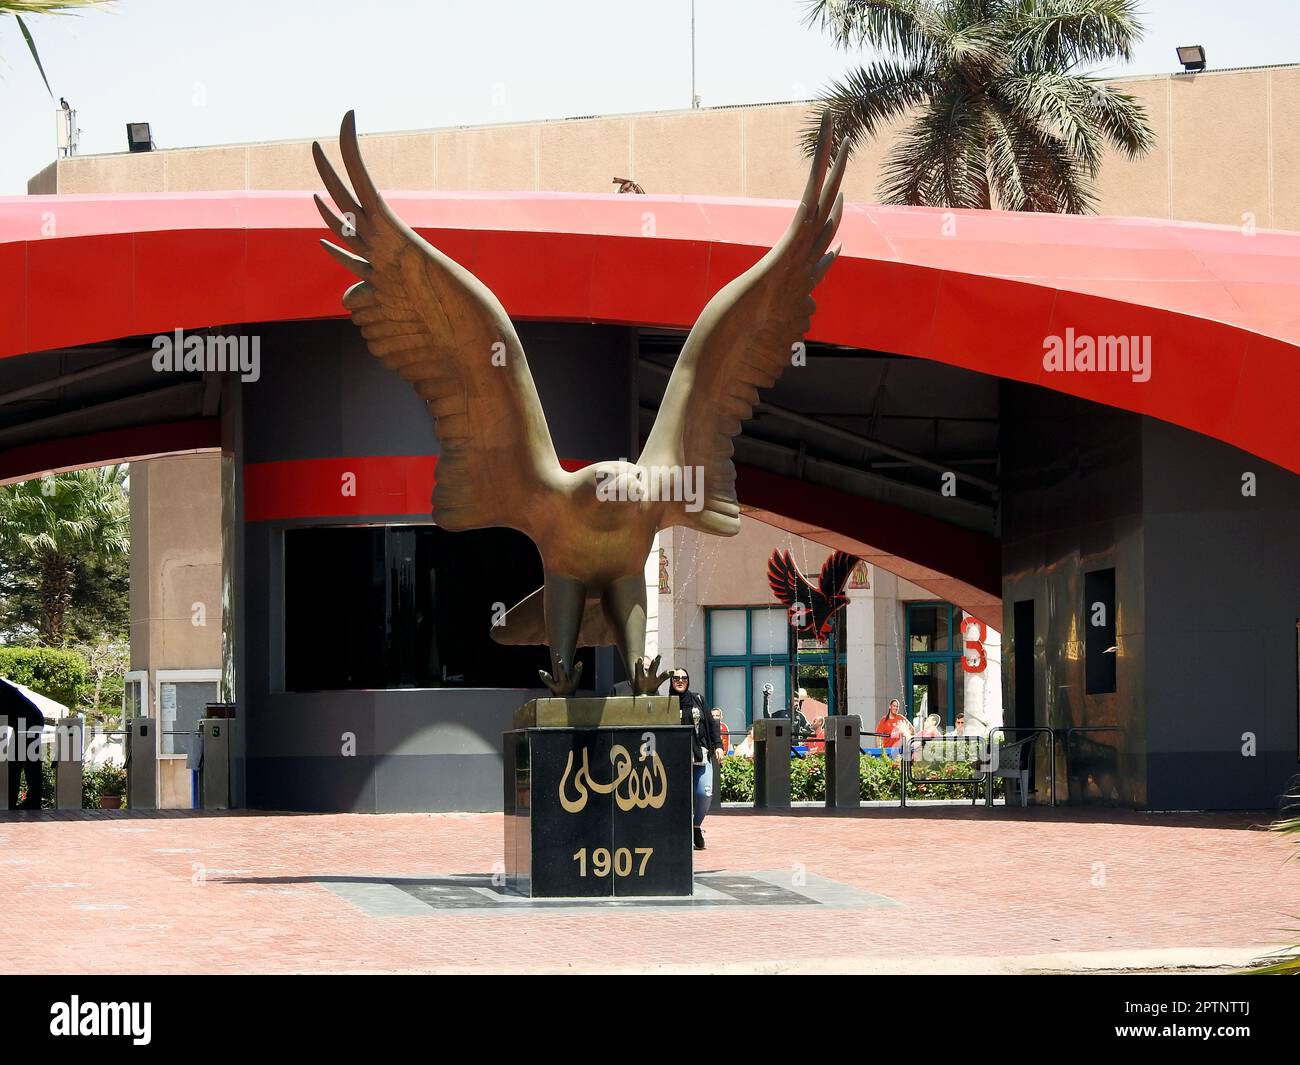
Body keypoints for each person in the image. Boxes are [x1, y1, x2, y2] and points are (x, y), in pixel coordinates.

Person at [667, 668, 723, 850]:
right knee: (679, 797)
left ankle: (696, 825)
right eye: (676, 678)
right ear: (671, 681)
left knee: (705, 793)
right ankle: (680, 832)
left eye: (684, 677)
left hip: (700, 753)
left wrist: (718, 745)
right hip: (676, 757)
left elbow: (710, 723)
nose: (680, 681)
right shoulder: (666, 702)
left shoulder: (697, 699)